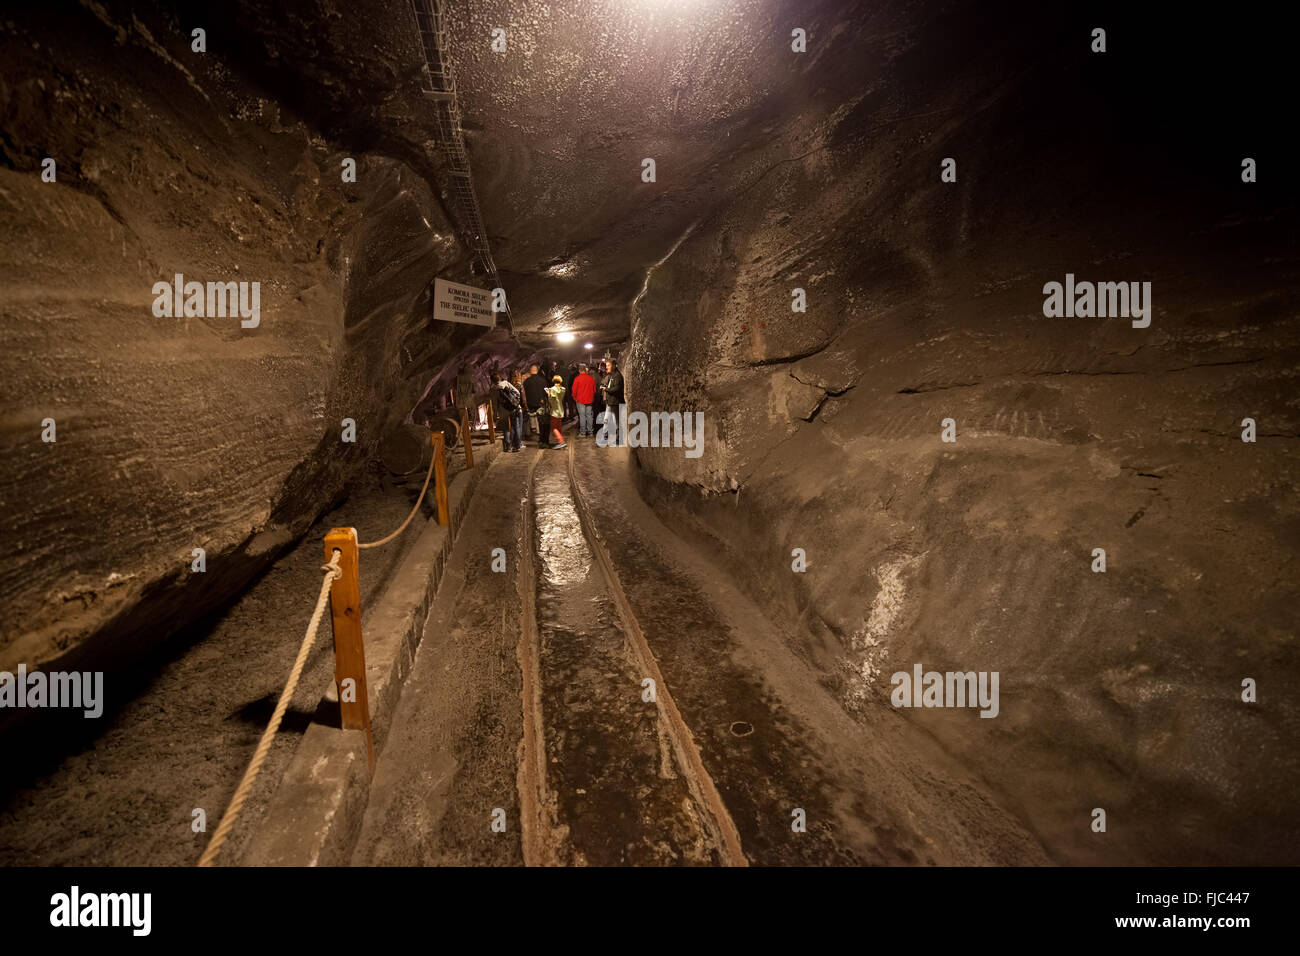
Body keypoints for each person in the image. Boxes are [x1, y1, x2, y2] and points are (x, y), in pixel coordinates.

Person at [490, 371, 523, 452]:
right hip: (514, 408)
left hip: (503, 411)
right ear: (499, 378)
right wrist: (515, 400)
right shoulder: (505, 383)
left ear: (492, 381)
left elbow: (494, 404)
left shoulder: (493, 390)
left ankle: (508, 446)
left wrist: (495, 414)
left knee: (506, 428)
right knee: (516, 427)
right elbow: (517, 392)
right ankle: (517, 445)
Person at [523, 363, 551, 448]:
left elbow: (524, 393)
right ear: (537, 370)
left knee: (531, 421)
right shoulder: (542, 380)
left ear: (531, 371)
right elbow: (547, 392)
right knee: (542, 422)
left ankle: (531, 433)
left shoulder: (526, 381)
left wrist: (525, 404)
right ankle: (543, 440)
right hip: (540, 404)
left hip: (531, 404)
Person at [600, 358, 625, 446]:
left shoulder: (617, 376)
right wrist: (605, 386)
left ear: (614, 366)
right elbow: (610, 385)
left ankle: (619, 439)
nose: (606, 367)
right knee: (606, 420)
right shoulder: (611, 375)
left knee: (616, 421)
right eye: (606, 366)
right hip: (610, 401)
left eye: (608, 365)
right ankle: (604, 438)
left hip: (615, 402)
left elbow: (616, 389)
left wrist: (606, 389)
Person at [572, 363, 596, 436]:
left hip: (580, 399)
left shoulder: (577, 379)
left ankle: (583, 432)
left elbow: (574, 390)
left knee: (582, 416)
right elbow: (594, 390)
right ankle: (590, 432)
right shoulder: (591, 378)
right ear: (585, 370)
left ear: (579, 370)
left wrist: (574, 398)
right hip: (589, 399)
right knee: (589, 415)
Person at [546, 375, 567, 449]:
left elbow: (551, 400)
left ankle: (561, 441)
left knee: (554, 428)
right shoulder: (563, 389)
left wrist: (548, 393)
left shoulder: (552, 389)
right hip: (560, 410)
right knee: (559, 427)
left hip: (555, 410)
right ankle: (560, 441)